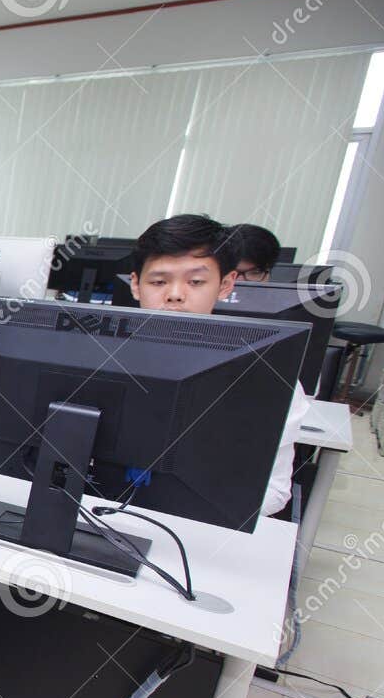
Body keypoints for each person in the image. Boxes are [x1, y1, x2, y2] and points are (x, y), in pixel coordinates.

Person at [125, 213, 306, 515]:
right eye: (158, 281)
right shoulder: (88, 356)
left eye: (196, 281)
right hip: (92, 513)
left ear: (225, 285)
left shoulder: (270, 378)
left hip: (203, 528)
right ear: (135, 284)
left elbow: (274, 491)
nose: (175, 295)